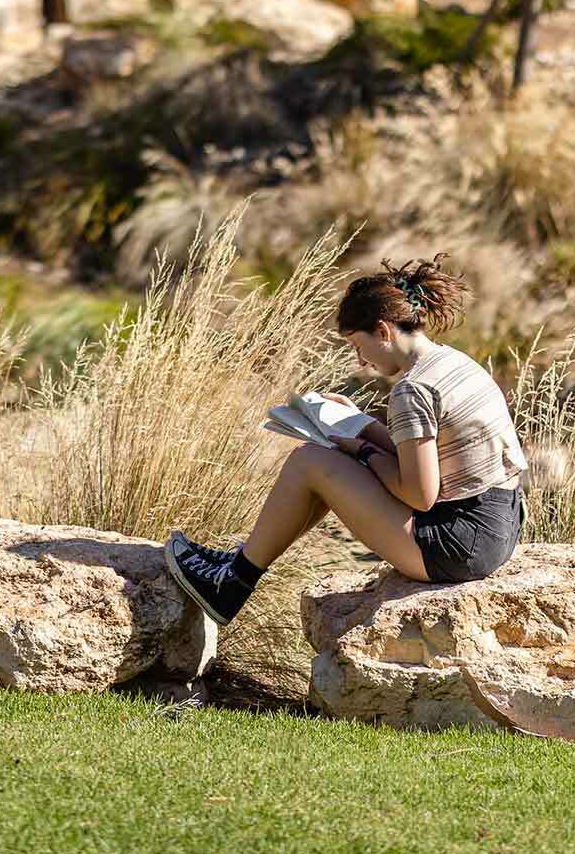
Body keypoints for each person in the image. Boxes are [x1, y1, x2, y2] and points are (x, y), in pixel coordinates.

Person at [163, 256, 528, 628]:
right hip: (495, 529)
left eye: (357, 344)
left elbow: (420, 494)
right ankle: (238, 566)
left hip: (455, 545)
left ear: (383, 331)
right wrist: (363, 425)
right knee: (324, 462)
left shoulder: (413, 389)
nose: (361, 360)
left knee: (310, 461)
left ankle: (233, 582)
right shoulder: (453, 363)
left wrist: (363, 452)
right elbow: (427, 459)